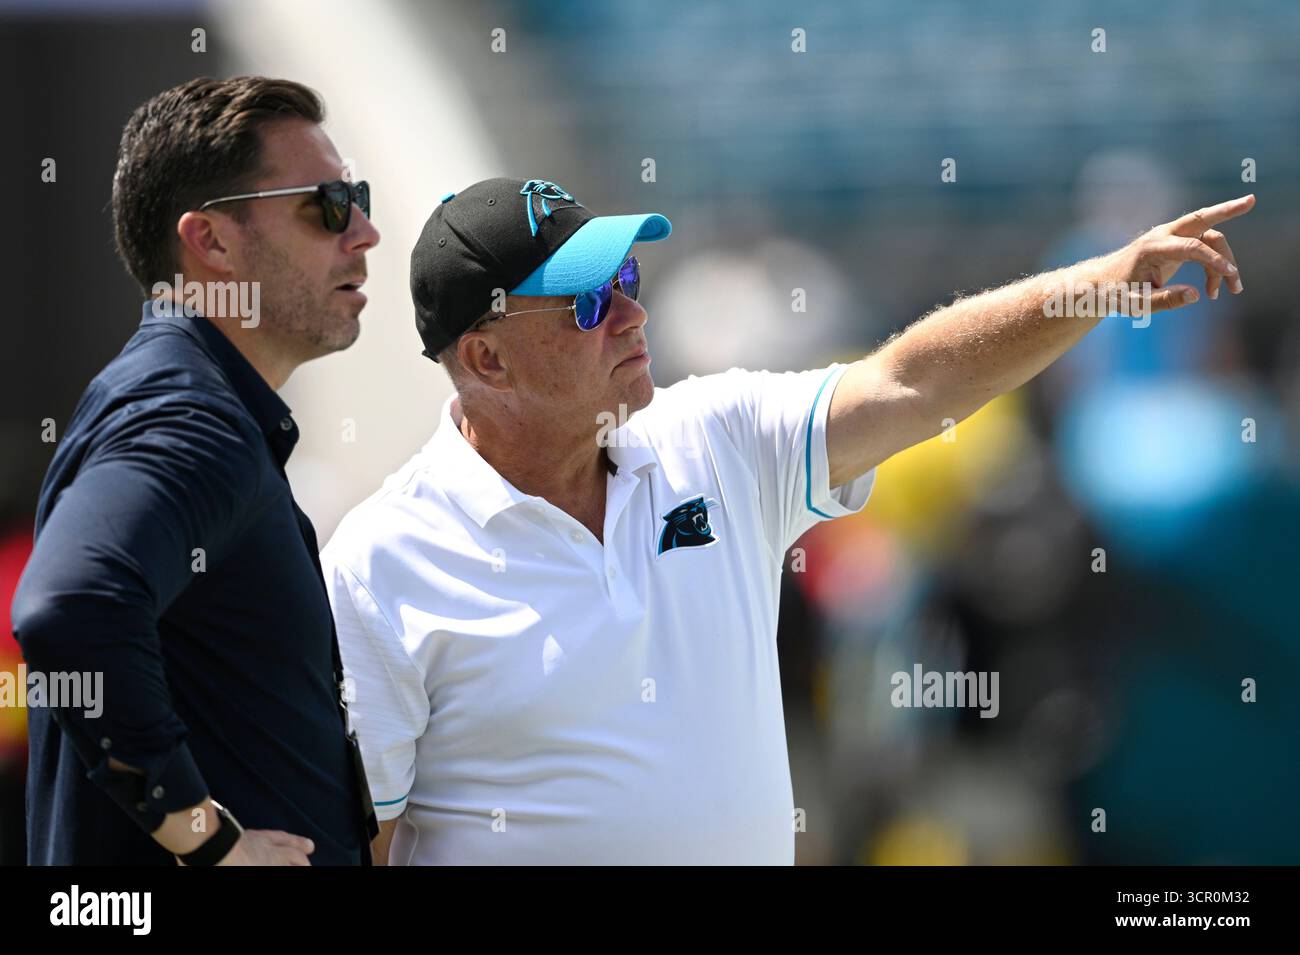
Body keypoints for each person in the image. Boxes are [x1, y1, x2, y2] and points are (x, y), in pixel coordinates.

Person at [322, 176, 1250, 864]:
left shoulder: (713, 435)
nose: (634, 315)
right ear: (486, 357)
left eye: (631, 276)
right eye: (591, 301)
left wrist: (1095, 283)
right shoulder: (381, 562)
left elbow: (910, 379)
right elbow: (367, 839)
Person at [11, 76, 381, 865]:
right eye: (330, 202)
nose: (366, 232)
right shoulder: (190, 413)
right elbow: (68, 606)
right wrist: (206, 838)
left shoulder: (195, 398)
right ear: (211, 242)